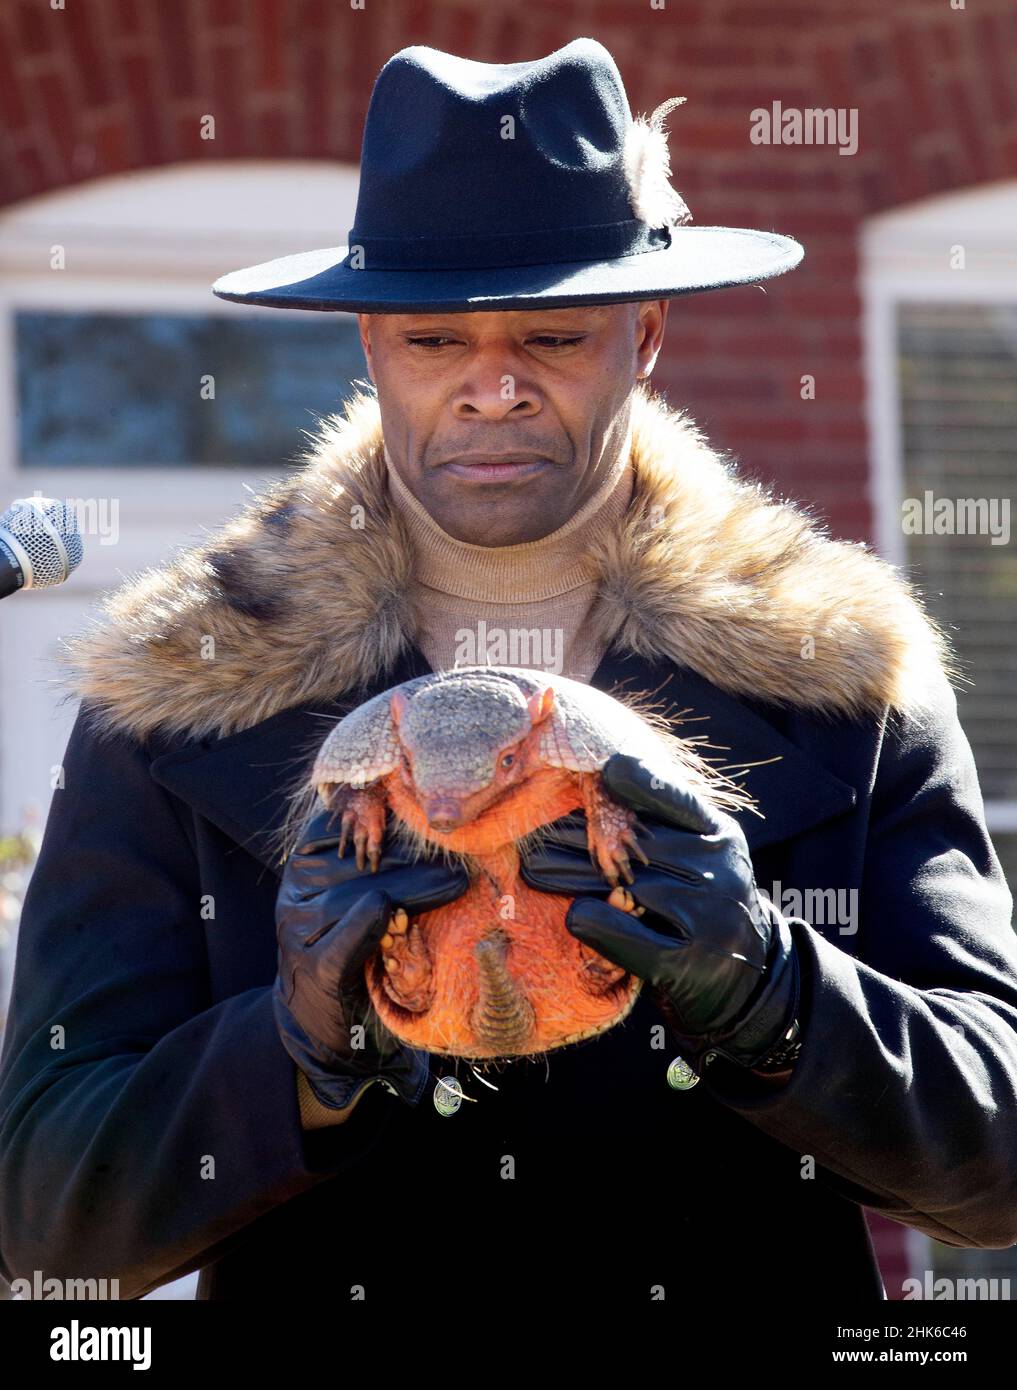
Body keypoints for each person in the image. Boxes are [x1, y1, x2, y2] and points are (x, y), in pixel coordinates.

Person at [1, 38, 1016, 1308]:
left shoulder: (842, 670)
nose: (493, 387)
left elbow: (994, 1162)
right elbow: (46, 1221)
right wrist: (295, 1052)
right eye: (435, 338)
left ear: (645, 335)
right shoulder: (176, 688)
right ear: (368, 343)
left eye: (552, 334)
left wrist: (771, 988)